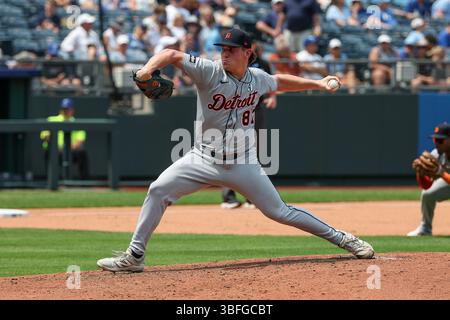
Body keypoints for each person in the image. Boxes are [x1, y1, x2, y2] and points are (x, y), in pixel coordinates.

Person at [96, 28, 375, 273]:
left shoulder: (257, 78)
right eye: (222, 49)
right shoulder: (209, 70)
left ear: (247, 52)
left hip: (243, 163)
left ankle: (343, 239)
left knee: (280, 211)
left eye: (230, 50)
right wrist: (146, 71)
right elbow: (171, 54)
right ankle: (135, 256)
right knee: (158, 190)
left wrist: (317, 83)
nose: (224, 54)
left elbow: (281, 81)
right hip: (202, 159)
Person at [221, 41, 277, 210]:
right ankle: (228, 196)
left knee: (254, 152)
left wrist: (273, 96)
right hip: (232, 111)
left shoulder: (263, 64)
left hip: (255, 109)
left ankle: (252, 197)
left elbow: (273, 81)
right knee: (229, 153)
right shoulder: (230, 64)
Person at [408, 123, 450, 236]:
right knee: (427, 194)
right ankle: (425, 228)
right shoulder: (437, 154)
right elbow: (427, 186)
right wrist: (420, 174)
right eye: (435, 140)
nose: (437, 144)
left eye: (440, 141)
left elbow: (441, 174)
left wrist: (441, 173)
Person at [40, 98, 89, 180]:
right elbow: (45, 136)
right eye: (64, 109)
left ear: (72, 110)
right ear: (61, 109)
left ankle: (84, 182)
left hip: (71, 151)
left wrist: (67, 149)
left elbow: (80, 142)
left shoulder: (77, 122)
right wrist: (56, 146)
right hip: (55, 150)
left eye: (67, 109)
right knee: (49, 152)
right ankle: (51, 181)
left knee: (82, 153)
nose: (65, 111)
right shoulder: (52, 119)